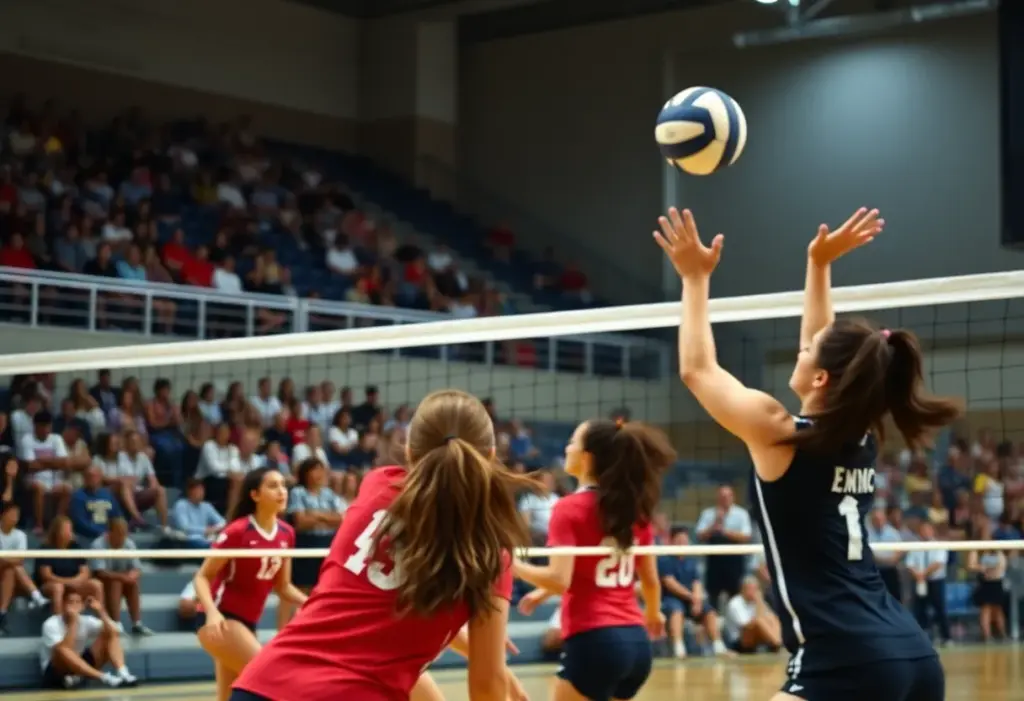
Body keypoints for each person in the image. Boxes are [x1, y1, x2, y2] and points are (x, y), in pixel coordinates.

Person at [656, 206, 958, 701]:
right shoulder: (860, 436)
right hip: (913, 655)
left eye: (805, 353)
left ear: (820, 378)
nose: (801, 349)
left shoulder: (779, 432)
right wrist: (818, 266)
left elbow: (698, 370)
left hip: (845, 657)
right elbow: (823, 345)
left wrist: (693, 279)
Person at [230, 389, 531, 701]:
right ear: (493, 456)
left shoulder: (377, 484)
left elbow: (384, 608)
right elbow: (486, 686)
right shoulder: (488, 551)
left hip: (261, 685)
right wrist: (490, 659)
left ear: (410, 452)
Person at [513, 419, 673, 701]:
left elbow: (559, 579)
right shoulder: (635, 510)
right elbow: (648, 579)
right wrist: (653, 613)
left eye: (573, 441)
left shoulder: (568, 509)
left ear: (587, 458)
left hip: (595, 639)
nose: (567, 447)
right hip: (636, 643)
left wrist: (511, 565)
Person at [192, 467, 306, 701]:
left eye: (283, 485)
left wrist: (312, 602)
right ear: (255, 495)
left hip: (248, 625)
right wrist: (212, 614)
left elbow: (282, 586)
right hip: (221, 619)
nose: (282, 491)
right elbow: (202, 577)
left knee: (227, 696)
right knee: (269, 678)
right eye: (273, 486)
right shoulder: (238, 532)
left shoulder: (287, 533)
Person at [39, 588, 137, 689]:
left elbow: (115, 631)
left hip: (80, 663)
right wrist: (73, 622)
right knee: (62, 649)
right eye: (70, 602)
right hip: (56, 670)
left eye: (78, 602)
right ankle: (105, 678)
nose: (74, 605)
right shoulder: (51, 624)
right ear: (63, 604)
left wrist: (100, 611)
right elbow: (65, 650)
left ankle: (123, 673)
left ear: (82, 606)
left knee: (109, 634)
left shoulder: (86, 621)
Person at [657, 527, 729, 658]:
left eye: (685, 541)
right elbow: (670, 583)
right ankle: (679, 649)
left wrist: (698, 599)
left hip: (691, 600)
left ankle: (719, 647)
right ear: (671, 541)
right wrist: (692, 597)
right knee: (676, 610)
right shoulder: (664, 560)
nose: (682, 543)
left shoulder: (691, 561)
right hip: (670, 599)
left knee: (709, 612)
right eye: (679, 540)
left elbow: (697, 583)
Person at [0, 502, 49, 633]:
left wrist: (5, 560)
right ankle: (36, 596)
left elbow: (20, 559)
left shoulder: (20, 535)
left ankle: (2, 612)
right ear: (3, 515)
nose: (15, 517)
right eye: (12, 514)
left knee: (11, 570)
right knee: (13, 567)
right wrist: (9, 560)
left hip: (11, 575)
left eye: (17, 514)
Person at [724, 576, 782, 654]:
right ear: (742, 589)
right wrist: (759, 604)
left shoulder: (758, 602)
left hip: (756, 638)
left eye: (756, 589)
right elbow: (746, 626)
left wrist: (760, 603)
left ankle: (777, 642)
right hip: (738, 640)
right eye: (750, 589)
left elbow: (769, 618)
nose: (754, 592)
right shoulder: (735, 603)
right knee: (758, 621)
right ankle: (778, 644)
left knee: (772, 617)